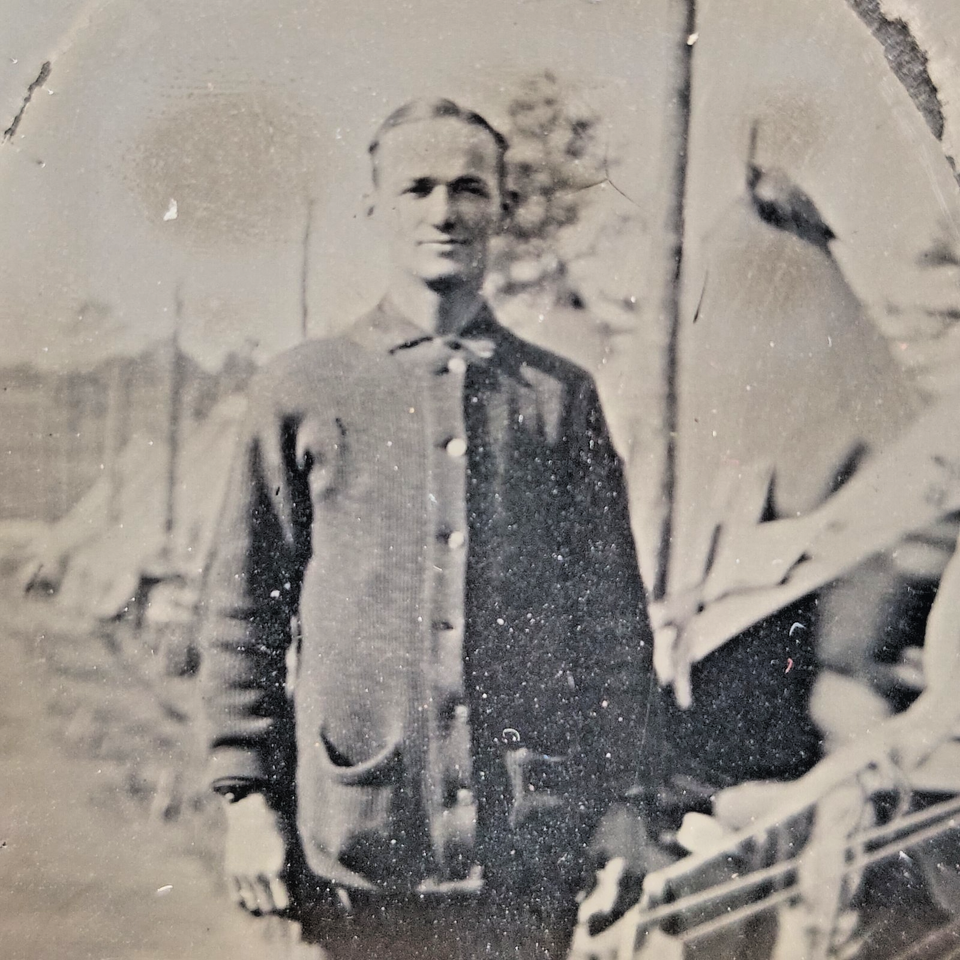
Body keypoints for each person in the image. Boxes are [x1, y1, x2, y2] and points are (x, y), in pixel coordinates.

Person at [198, 98, 661, 959]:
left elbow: (611, 619)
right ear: (375, 208)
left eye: (467, 188)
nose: (443, 212)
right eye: (417, 188)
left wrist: (628, 802)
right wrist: (245, 801)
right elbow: (242, 610)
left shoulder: (558, 398)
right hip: (358, 842)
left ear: (500, 207)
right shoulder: (302, 388)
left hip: (528, 847)